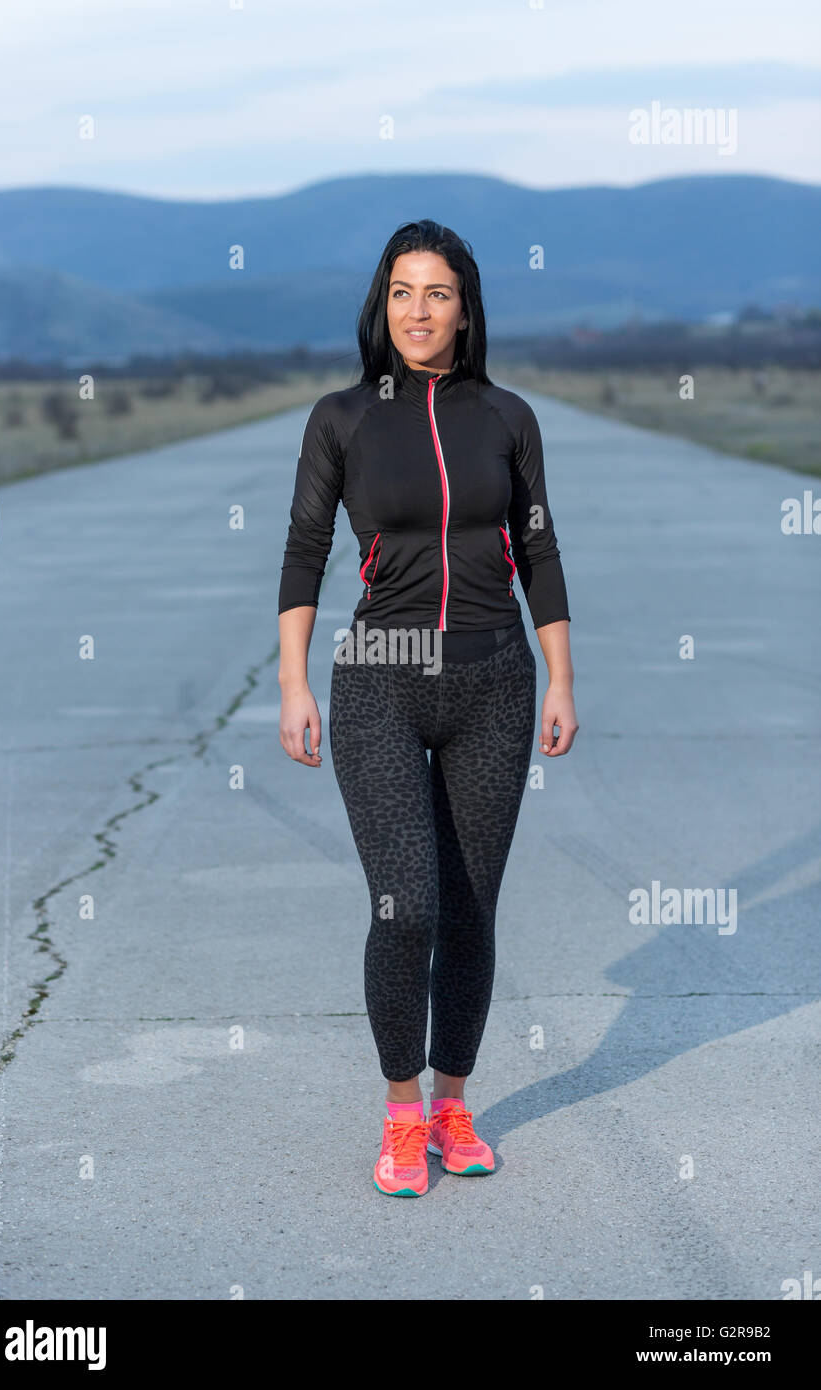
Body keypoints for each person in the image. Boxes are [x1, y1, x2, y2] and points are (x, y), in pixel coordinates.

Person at [277, 219, 578, 1196]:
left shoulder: (506, 416)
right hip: (379, 677)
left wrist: (560, 677)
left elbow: (538, 551)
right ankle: (400, 1112)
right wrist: (290, 681)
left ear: (464, 308)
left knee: (471, 906)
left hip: (495, 682)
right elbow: (302, 551)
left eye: (437, 293)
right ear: (381, 305)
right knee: (405, 902)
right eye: (402, 291)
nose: (418, 310)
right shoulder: (342, 418)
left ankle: (453, 1104)